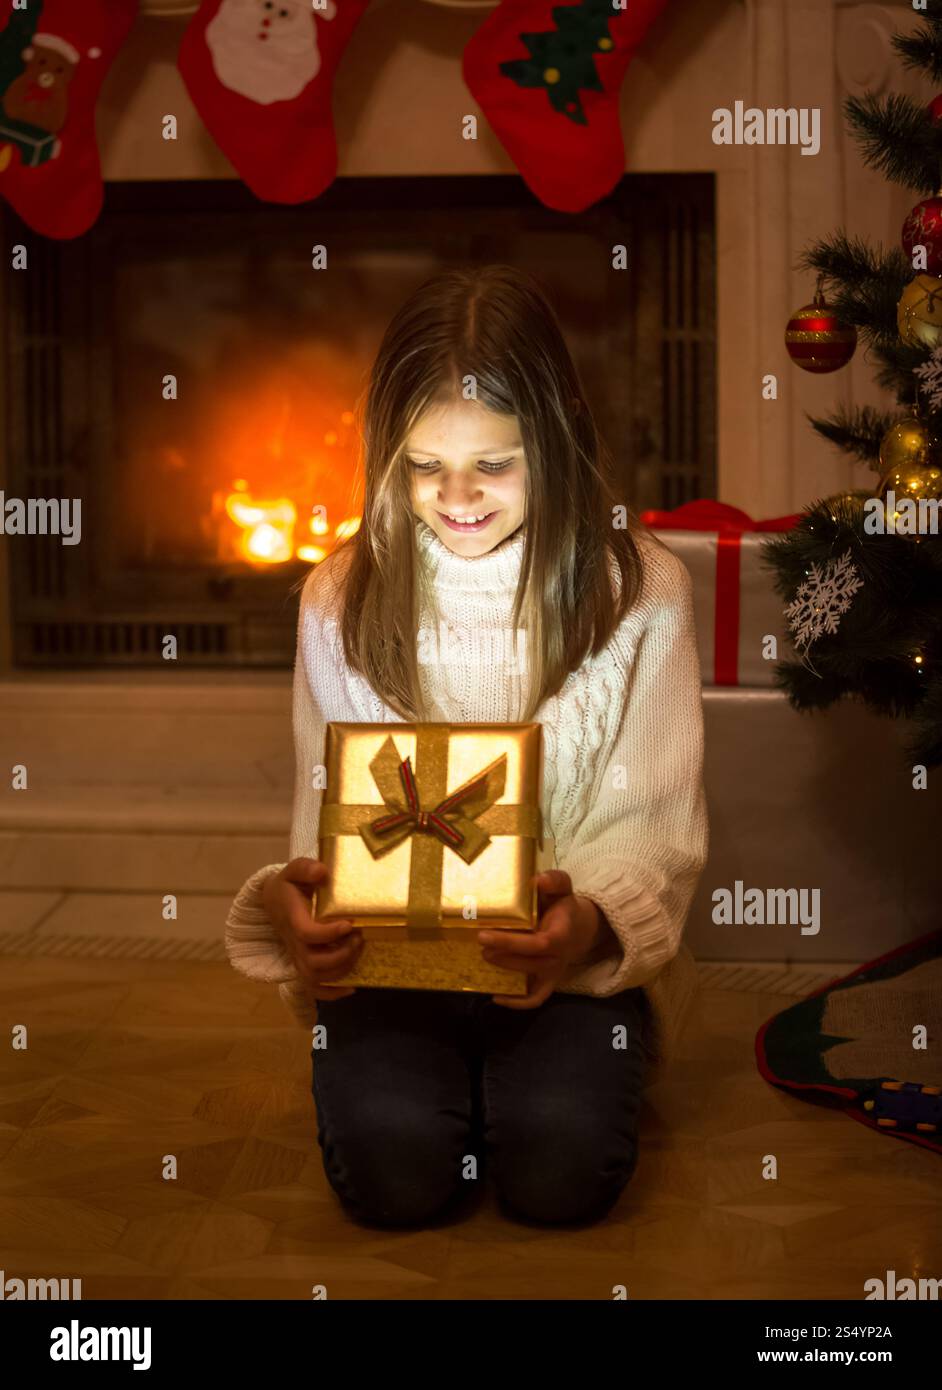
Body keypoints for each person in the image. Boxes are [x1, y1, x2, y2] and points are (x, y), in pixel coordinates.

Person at [225, 264, 708, 1228]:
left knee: (562, 1179)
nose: (457, 495)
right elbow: (328, 808)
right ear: (385, 456)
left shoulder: (643, 593)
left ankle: (535, 1085)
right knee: (396, 1182)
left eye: (494, 463)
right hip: (393, 968)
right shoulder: (338, 597)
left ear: (557, 437)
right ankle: (446, 1087)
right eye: (422, 464)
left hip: (565, 963)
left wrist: (587, 925)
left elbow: (656, 822)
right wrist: (294, 897)